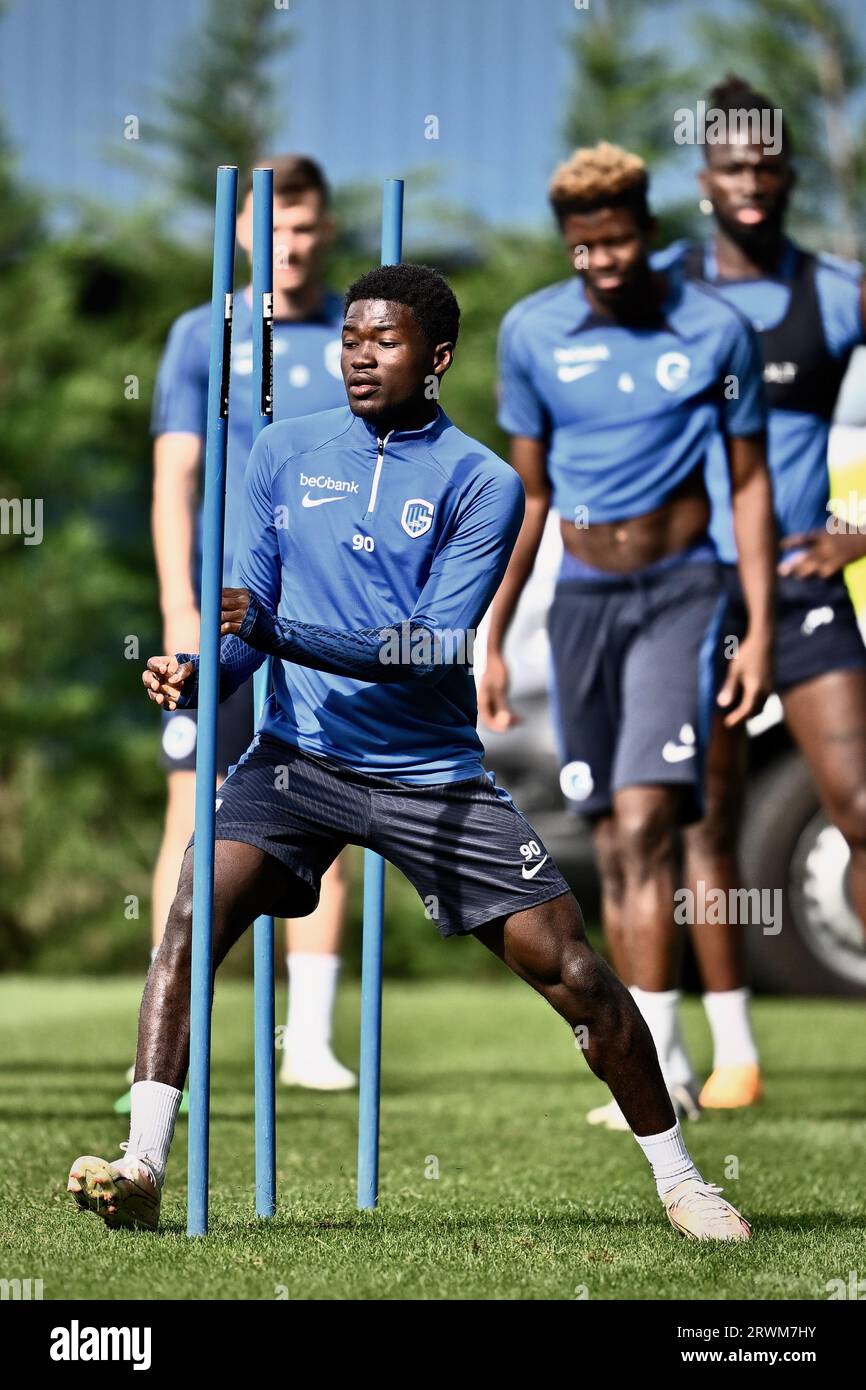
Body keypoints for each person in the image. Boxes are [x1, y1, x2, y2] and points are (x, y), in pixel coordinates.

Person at [68, 263, 749, 1241]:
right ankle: (139, 1163)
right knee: (189, 906)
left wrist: (275, 626)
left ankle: (682, 1181)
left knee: (575, 976)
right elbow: (243, 626)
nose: (357, 356)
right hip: (295, 759)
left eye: (382, 341)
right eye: (349, 338)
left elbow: (428, 646)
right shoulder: (280, 451)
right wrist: (197, 668)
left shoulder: (483, 482)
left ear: (436, 358)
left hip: (429, 776)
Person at [479, 144, 776, 1131]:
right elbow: (527, 493)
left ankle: (663, 1077)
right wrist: (489, 628)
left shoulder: (713, 330)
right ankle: (665, 1048)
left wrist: (759, 623)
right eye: (580, 247)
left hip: (680, 593)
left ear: (646, 231)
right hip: (579, 603)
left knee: (651, 818)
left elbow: (745, 481)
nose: (600, 261)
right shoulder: (529, 332)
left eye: (614, 242)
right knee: (609, 835)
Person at [117, 155, 354, 1113]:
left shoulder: (357, 334)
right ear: (249, 229)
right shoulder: (201, 333)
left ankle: (314, 1041)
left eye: (308, 229)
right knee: (196, 808)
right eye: (278, 228)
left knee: (322, 801)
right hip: (219, 617)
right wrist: (179, 604)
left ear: (325, 232)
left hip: (319, 625)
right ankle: (163, 1045)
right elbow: (176, 479)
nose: (293, 246)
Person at [665, 75, 866, 1109]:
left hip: (797, 588)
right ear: (704, 177)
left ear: (785, 172)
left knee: (857, 806)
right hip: (691, 589)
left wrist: (855, 529)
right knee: (699, 822)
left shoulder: (834, 292)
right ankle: (726, 1054)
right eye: (730, 165)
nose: (749, 181)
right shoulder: (658, 288)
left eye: (764, 163)